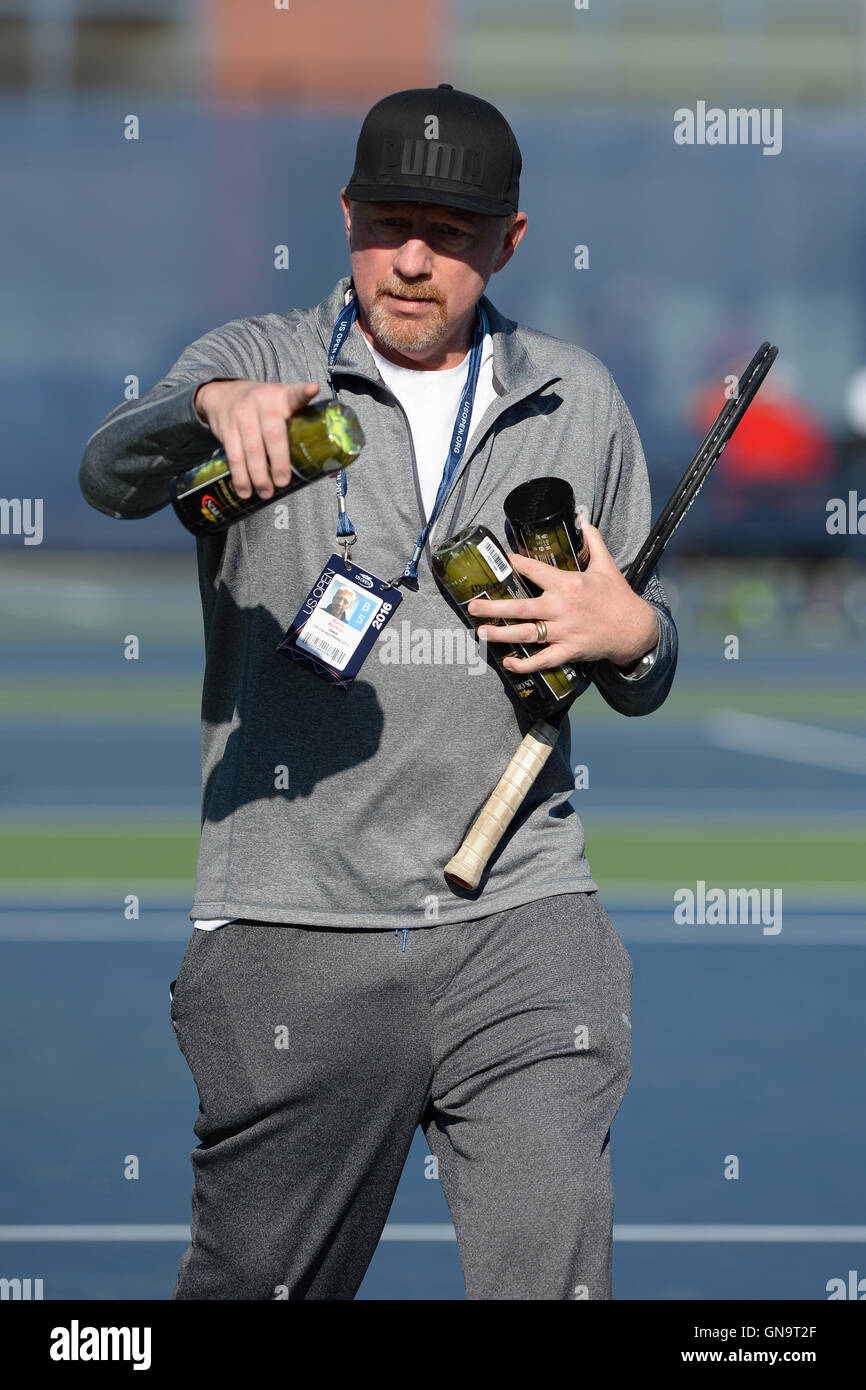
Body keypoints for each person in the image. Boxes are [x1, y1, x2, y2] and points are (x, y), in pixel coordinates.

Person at [79, 84, 677, 1301]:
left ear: (507, 241)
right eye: (389, 222)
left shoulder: (577, 396)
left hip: (524, 919)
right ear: (344, 216)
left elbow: (643, 671)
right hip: (293, 927)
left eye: (451, 232)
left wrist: (634, 636)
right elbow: (107, 473)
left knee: (552, 1273)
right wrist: (206, 409)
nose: (413, 259)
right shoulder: (254, 361)